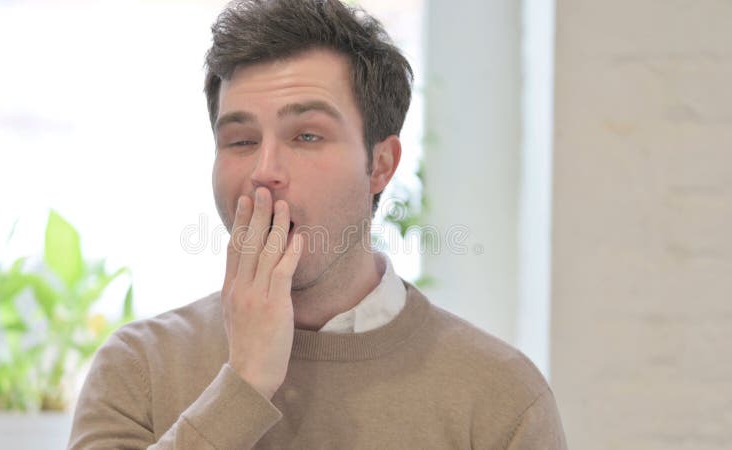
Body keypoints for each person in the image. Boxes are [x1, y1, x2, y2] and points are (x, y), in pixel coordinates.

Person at [68, 0, 568, 448]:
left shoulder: (501, 397)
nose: (264, 170)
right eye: (240, 140)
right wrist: (242, 386)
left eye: (306, 136)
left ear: (380, 165)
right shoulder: (139, 368)